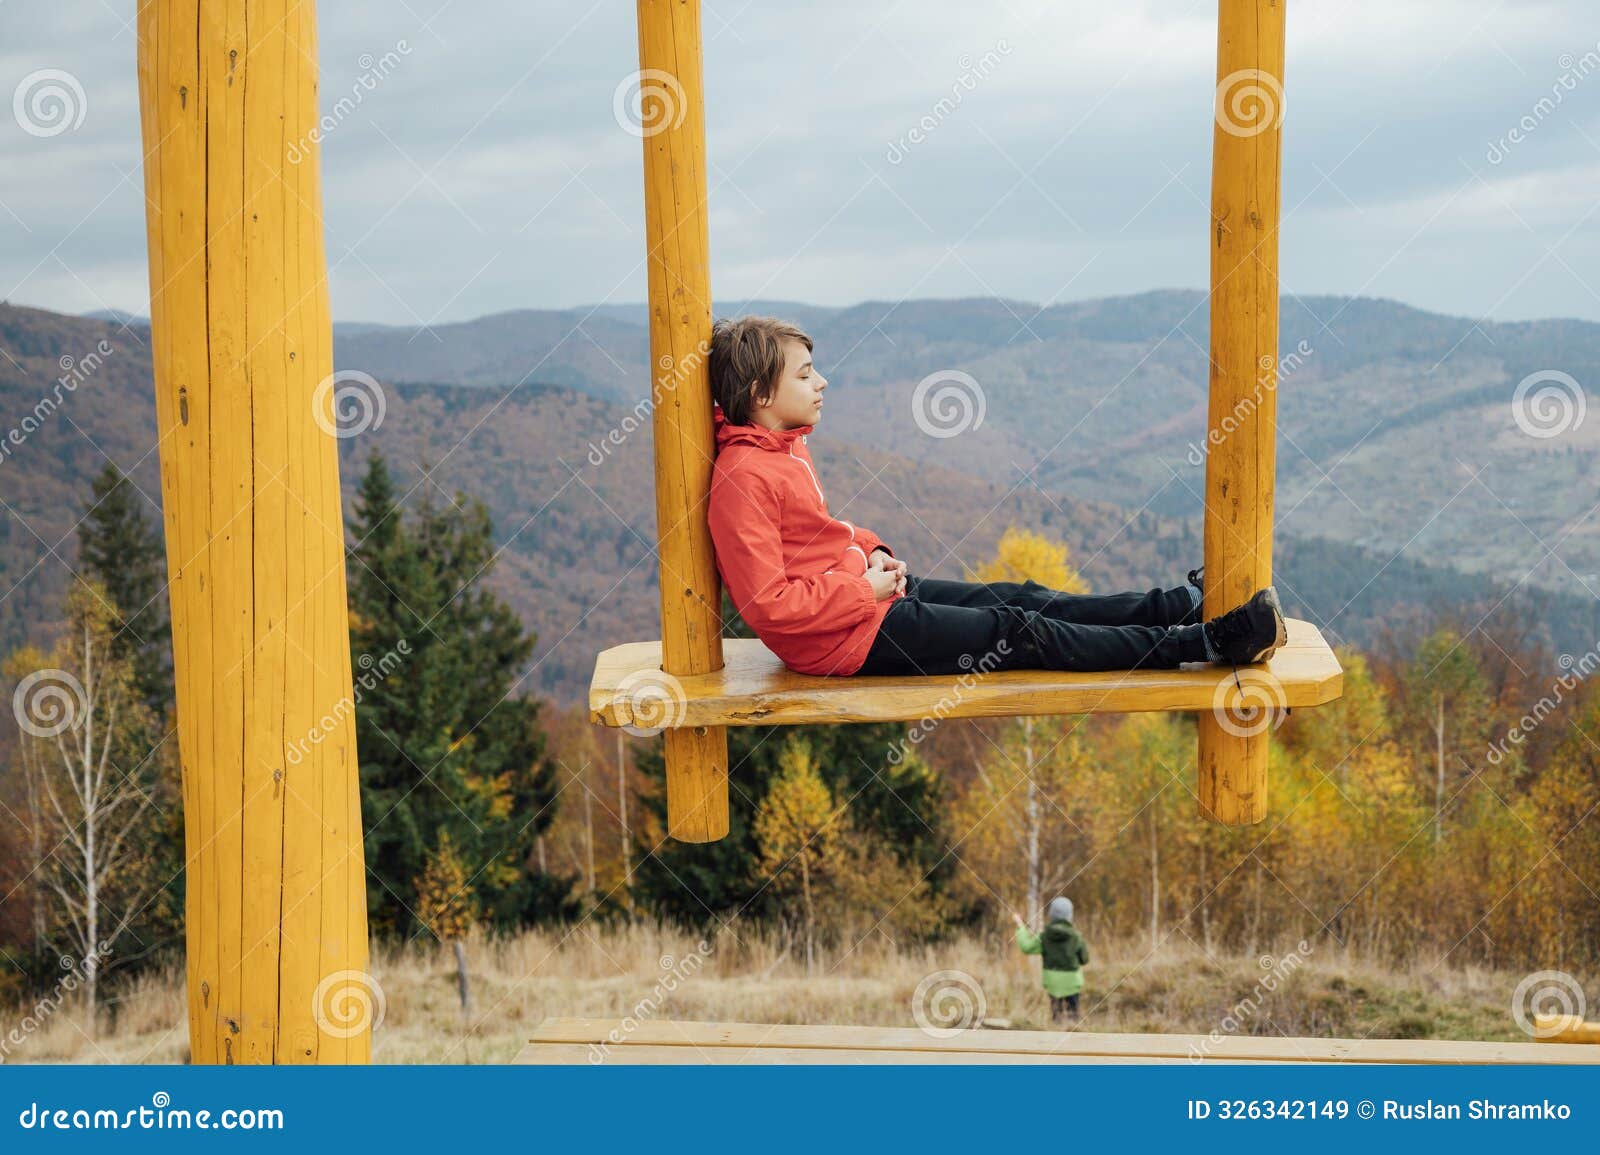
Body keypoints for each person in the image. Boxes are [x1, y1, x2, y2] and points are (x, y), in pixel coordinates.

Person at [704, 314, 1287, 679]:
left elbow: (818, 536)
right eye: (805, 374)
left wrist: (872, 547)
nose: (821, 381)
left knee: (1021, 595)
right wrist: (861, 586)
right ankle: (1203, 643)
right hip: (840, 641)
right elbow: (767, 606)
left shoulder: (784, 448)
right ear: (759, 392)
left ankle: (1176, 606)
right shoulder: (742, 479)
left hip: (861, 600)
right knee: (1021, 631)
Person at [1015, 897, 1090, 1025]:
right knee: (1074, 1015)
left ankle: (1056, 1032)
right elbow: (1084, 959)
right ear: (1069, 916)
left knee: (1057, 1015)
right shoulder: (1076, 937)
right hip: (1072, 983)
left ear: (1051, 915)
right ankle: (1074, 1036)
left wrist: (1021, 927)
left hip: (1052, 983)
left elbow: (1026, 947)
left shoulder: (1043, 937)